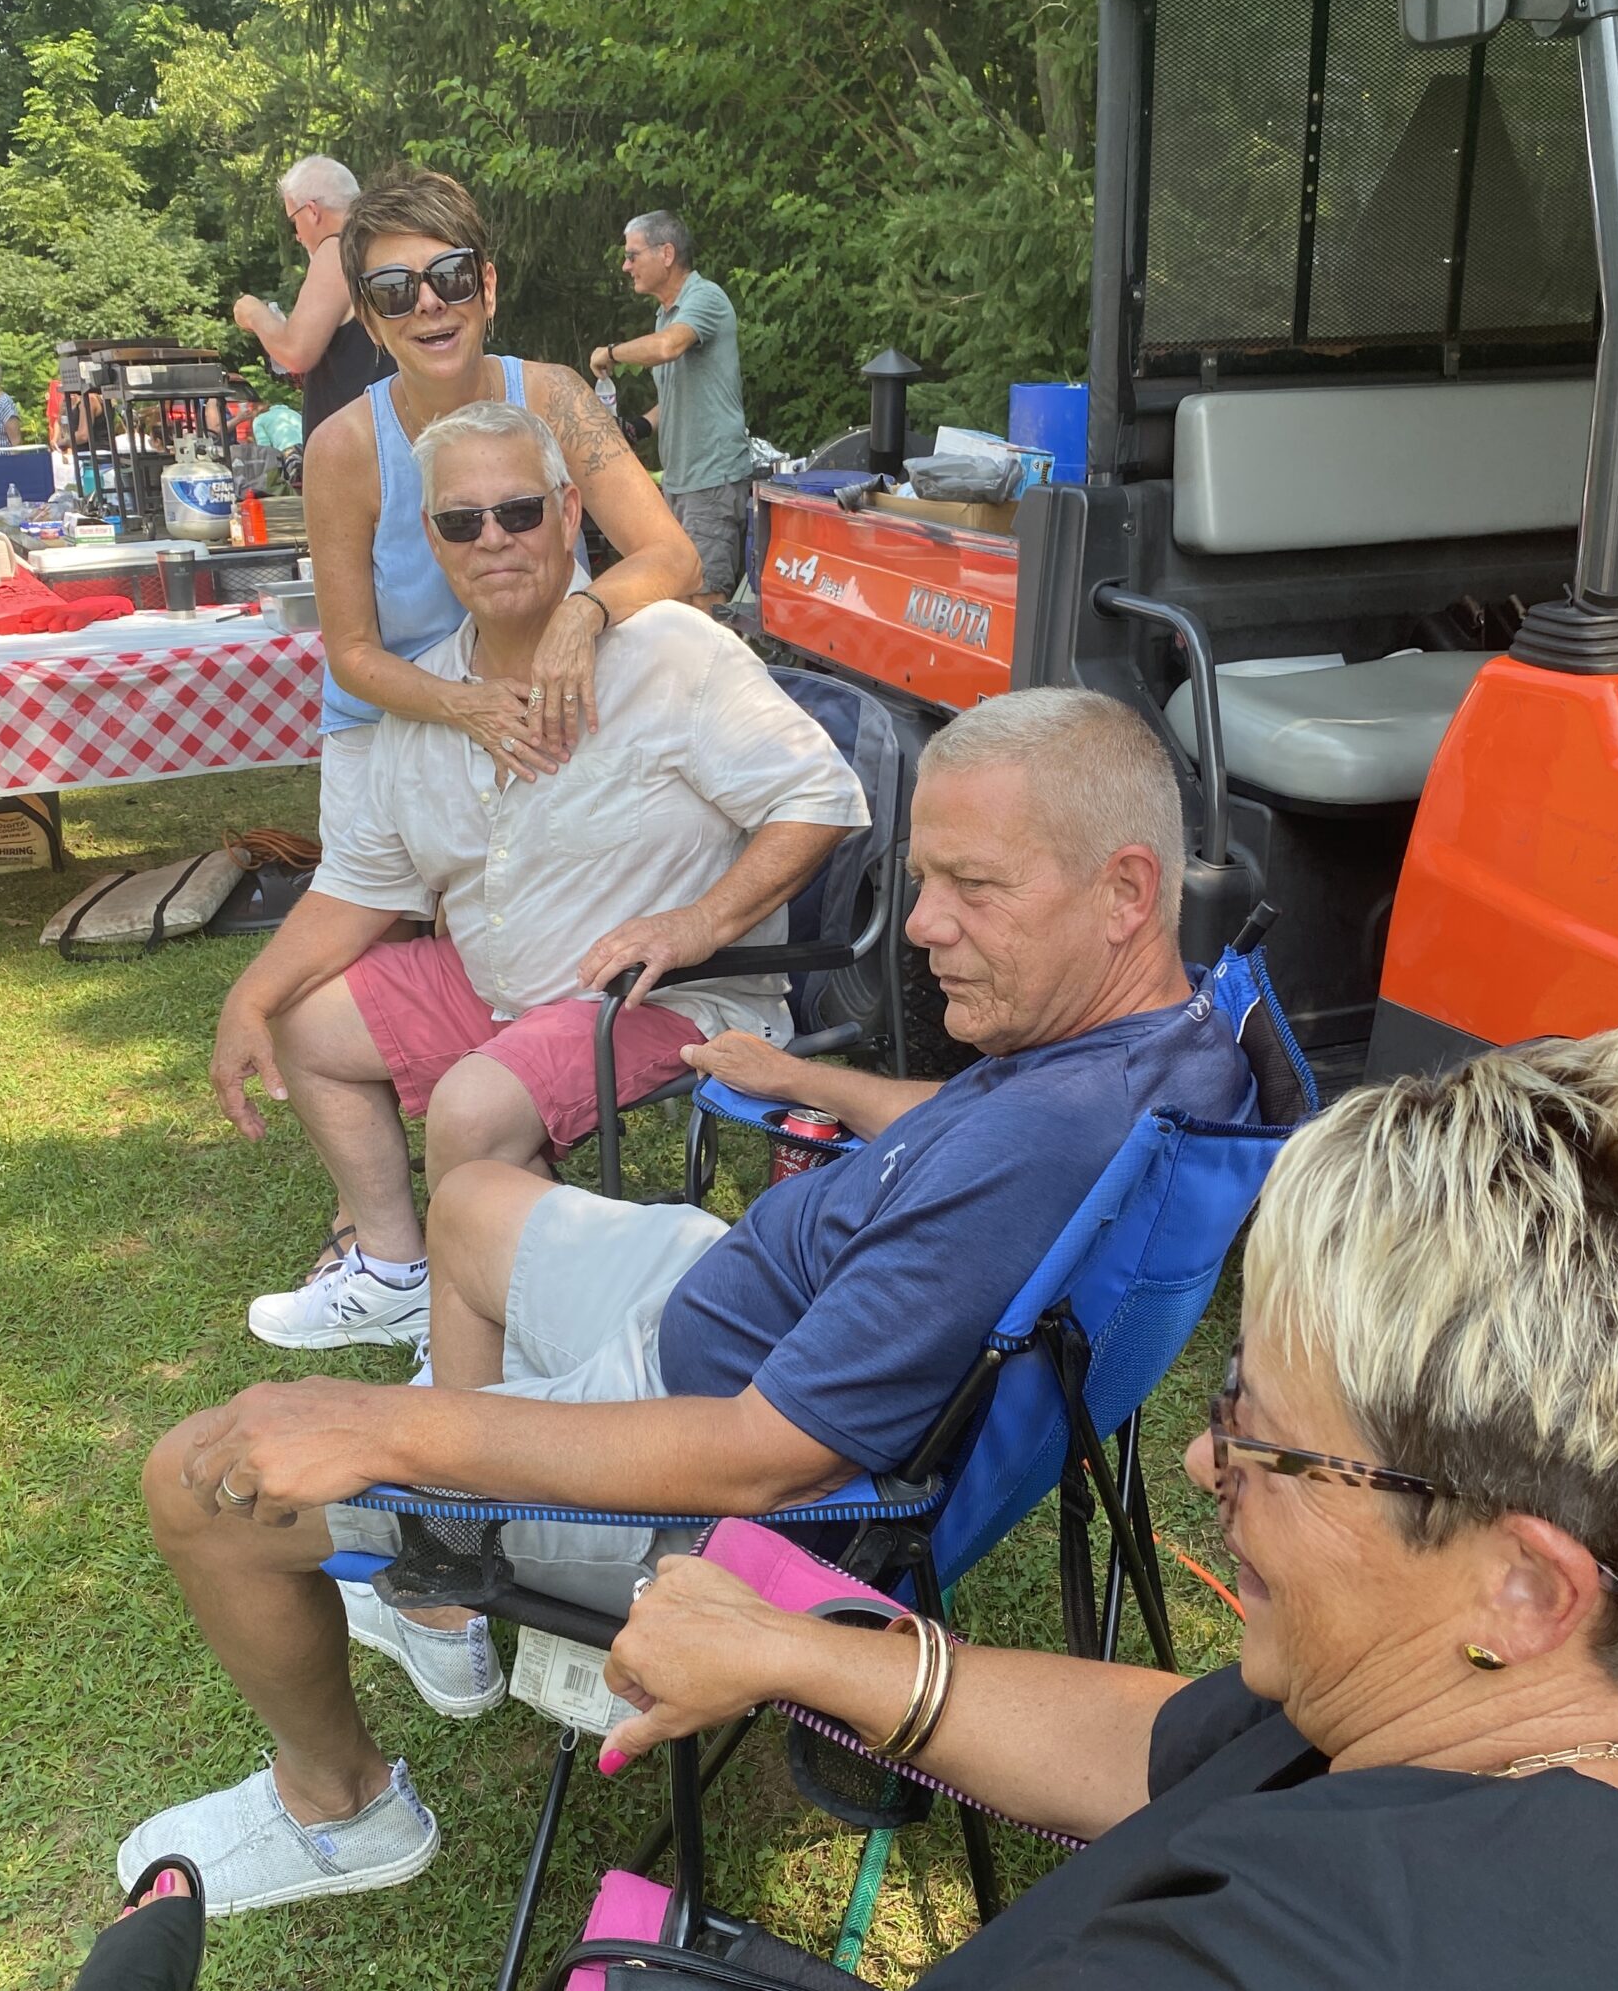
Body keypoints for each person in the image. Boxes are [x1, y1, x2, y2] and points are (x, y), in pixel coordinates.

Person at [39, 1028, 1618, 1991]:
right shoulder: (1593, 1741)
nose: (1208, 1472)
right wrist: (819, 1657)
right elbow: (1192, 1745)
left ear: (1523, 1583)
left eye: (1266, 1444)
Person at [121, 686, 1256, 1909]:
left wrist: (384, 1430)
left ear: (1127, 890)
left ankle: (340, 1807)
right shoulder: (1161, 1049)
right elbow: (966, 1129)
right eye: (924, 880)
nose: (925, 925)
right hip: (722, 1300)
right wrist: (800, 1077)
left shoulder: (1035, 1153)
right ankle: (446, 1579)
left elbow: (757, 1462)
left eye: (974, 888)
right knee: (469, 1205)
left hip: (705, 1455)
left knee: (201, 1480)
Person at [215, 398, 866, 1360]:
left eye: (519, 512)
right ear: (433, 542)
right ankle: (397, 1273)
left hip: (662, 995)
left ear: (568, 516)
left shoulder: (671, 653)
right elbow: (360, 885)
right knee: (308, 1024)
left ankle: (484, 1322)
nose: (493, 539)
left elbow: (818, 795)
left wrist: (697, 922)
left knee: (478, 1105)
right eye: (460, 520)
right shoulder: (424, 698)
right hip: (498, 980)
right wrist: (250, 995)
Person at [285, 167, 701, 1282]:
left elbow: (672, 554)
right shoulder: (342, 447)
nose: (429, 303)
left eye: (450, 276)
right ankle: (380, 1235)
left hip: (523, 699)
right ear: (368, 319)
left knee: (504, 941)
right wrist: (462, 705)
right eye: (395, 289)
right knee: (367, 969)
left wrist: (584, 606)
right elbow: (353, 651)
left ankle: (505, 1174)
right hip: (392, 721)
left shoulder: (555, 395)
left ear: (489, 287)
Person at [590, 212, 753, 608]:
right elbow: (681, 393)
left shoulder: (704, 298)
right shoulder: (666, 313)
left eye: (632, 255)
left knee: (705, 604)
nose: (626, 266)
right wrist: (641, 426)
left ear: (666, 253)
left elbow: (666, 348)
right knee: (678, 598)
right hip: (681, 483)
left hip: (712, 481)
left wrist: (611, 353)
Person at [232, 155, 395, 441]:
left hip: (353, 445)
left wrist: (254, 313)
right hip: (385, 432)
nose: (296, 235)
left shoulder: (337, 249)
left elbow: (296, 352)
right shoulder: (383, 244)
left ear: (312, 211)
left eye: (293, 222)